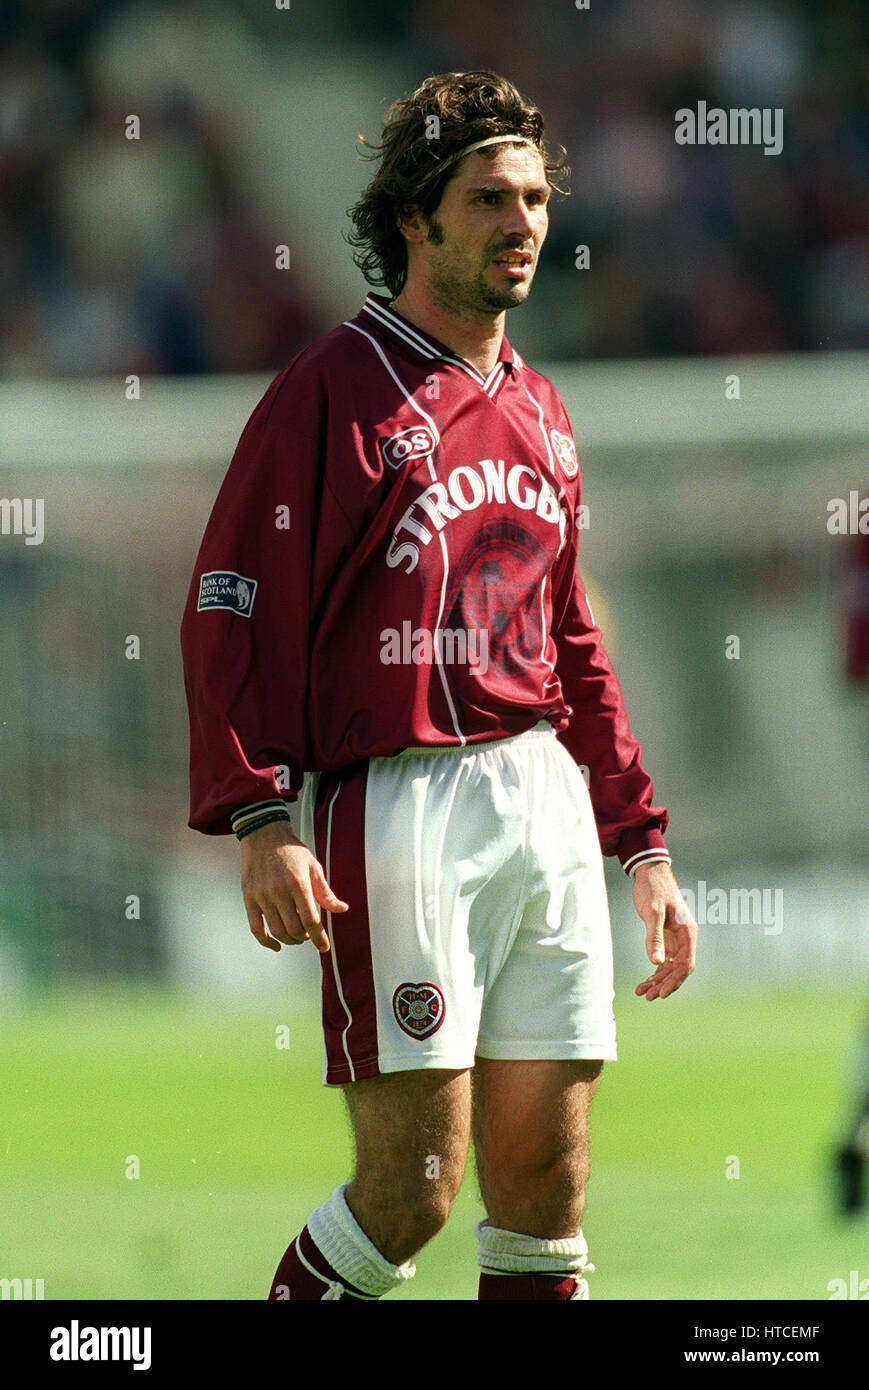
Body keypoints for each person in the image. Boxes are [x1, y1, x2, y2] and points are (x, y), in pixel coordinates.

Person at [180, 69, 698, 1302]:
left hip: (546, 807)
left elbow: (572, 644)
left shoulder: (541, 410)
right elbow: (228, 601)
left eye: (531, 199)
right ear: (415, 215)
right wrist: (259, 816)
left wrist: (641, 843)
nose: (519, 223)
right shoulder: (335, 388)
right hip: (402, 805)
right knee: (411, 1191)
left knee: (544, 1199)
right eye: (485, 198)